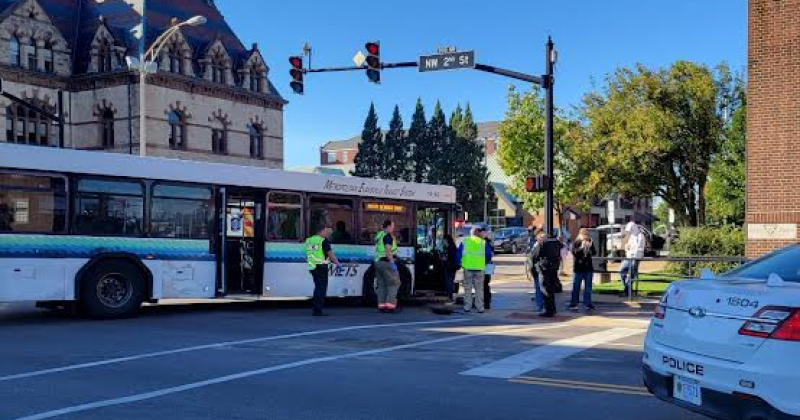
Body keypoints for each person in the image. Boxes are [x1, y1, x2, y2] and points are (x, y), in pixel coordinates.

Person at [305, 226, 340, 316]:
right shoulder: (323, 240)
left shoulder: (309, 240)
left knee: (317, 288)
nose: (326, 233)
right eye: (325, 231)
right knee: (321, 289)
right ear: (322, 231)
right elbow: (330, 254)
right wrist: (338, 264)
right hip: (321, 267)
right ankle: (317, 310)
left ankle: (316, 308)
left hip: (312, 267)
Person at [457, 226, 492, 313]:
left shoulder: (465, 242)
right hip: (480, 268)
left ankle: (467, 306)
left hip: (468, 268)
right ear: (478, 233)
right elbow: (488, 255)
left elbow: (458, 254)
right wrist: (484, 262)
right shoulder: (483, 243)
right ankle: (480, 307)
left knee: (467, 288)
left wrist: (459, 263)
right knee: (479, 289)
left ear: (470, 233)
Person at [531, 231, 561, 318]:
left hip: (544, 270)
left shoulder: (542, 244)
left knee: (545, 290)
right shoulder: (556, 243)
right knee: (551, 290)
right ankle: (553, 308)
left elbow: (535, 255)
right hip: (553, 270)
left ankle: (549, 310)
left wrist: (539, 245)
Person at [374, 220, 401, 313]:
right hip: (386, 262)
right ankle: (390, 306)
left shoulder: (379, 235)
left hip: (378, 262)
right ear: (388, 227)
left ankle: (381, 306)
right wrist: (392, 262)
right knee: (394, 284)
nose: (394, 228)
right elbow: (388, 250)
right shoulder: (388, 236)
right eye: (393, 226)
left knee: (382, 285)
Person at [569, 228, 597, 311]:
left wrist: (590, 247)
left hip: (588, 268)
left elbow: (594, 252)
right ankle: (574, 303)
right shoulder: (576, 242)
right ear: (580, 235)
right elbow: (574, 253)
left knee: (588, 287)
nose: (585, 237)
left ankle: (587, 303)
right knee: (576, 286)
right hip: (578, 268)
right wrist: (582, 247)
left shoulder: (590, 242)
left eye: (587, 235)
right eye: (584, 235)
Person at [620, 220, 646, 297]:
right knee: (622, 271)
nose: (630, 232)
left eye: (631, 230)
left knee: (632, 273)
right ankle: (627, 288)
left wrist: (633, 250)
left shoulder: (640, 236)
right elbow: (627, 245)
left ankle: (627, 290)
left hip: (635, 257)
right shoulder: (631, 236)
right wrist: (626, 246)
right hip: (628, 257)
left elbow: (640, 248)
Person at [528, 231, 546, 313]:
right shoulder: (535, 246)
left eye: (543, 237)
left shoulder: (539, 246)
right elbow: (531, 258)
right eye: (540, 237)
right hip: (537, 270)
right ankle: (540, 306)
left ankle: (541, 306)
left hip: (539, 270)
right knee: (539, 288)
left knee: (540, 288)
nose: (542, 238)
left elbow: (533, 257)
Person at [442, 234, 458, 302]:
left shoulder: (449, 248)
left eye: (444, 240)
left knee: (449, 281)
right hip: (453, 266)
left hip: (449, 267)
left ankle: (449, 296)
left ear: (447, 240)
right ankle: (450, 295)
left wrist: (443, 258)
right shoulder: (453, 247)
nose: (443, 242)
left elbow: (446, 258)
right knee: (450, 280)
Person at [483, 231, 494, 310]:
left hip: (485, 266)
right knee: (485, 284)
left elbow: (489, 255)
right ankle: (486, 302)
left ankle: (486, 302)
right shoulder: (487, 242)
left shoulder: (484, 242)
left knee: (484, 284)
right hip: (487, 266)